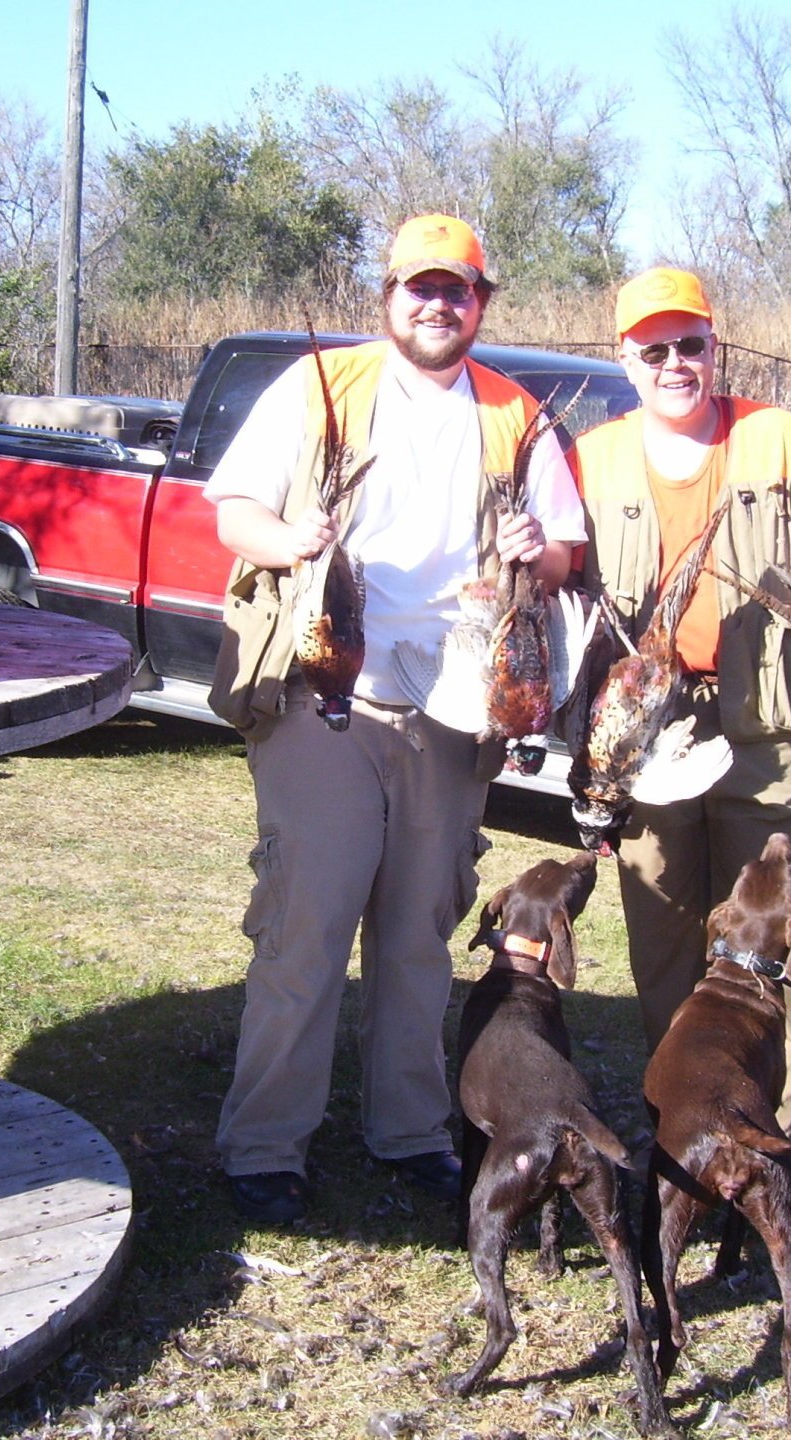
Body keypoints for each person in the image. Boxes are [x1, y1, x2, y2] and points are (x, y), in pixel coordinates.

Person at [203, 215, 588, 1225]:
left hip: (457, 706)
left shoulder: (518, 415)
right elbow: (232, 506)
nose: (436, 305)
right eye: (419, 288)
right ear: (388, 297)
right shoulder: (324, 387)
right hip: (328, 697)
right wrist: (294, 540)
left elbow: (565, 557)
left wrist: (535, 544)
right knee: (307, 926)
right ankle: (265, 1144)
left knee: (421, 935)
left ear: (481, 303)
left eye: (455, 290)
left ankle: (412, 1131)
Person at [571, 266, 791, 1234]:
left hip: (768, 732)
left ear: (714, 347)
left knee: (772, 954)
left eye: (690, 343)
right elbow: (560, 574)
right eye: (653, 349)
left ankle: (785, 1155)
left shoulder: (773, 435)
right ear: (625, 360)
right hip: (651, 735)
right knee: (663, 945)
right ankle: (689, 1141)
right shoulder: (593, 457)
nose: (675, 363)